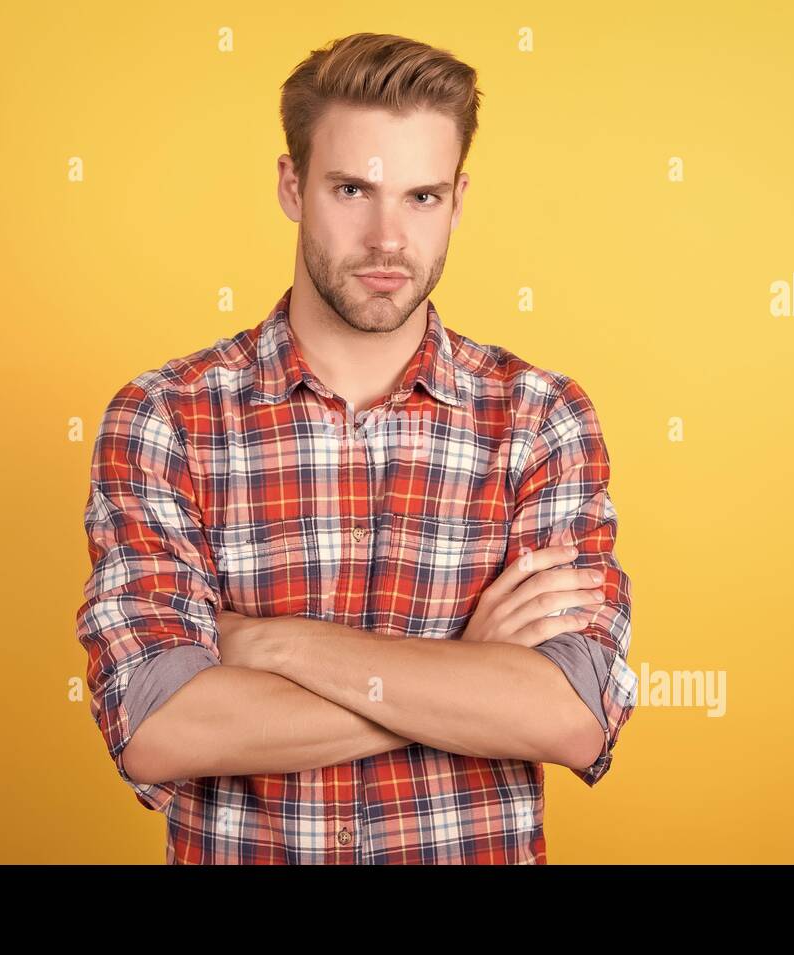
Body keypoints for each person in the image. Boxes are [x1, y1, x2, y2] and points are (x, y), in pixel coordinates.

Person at [75, 32, 636, 864]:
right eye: (351, 189)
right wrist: (467, 674)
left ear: (458, 197)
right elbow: (157, 723)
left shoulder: (540, 418)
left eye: (421, 197)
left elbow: (571, 714)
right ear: (292, 185)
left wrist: (275, 644)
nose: (386, 239)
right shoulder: (167, 418)